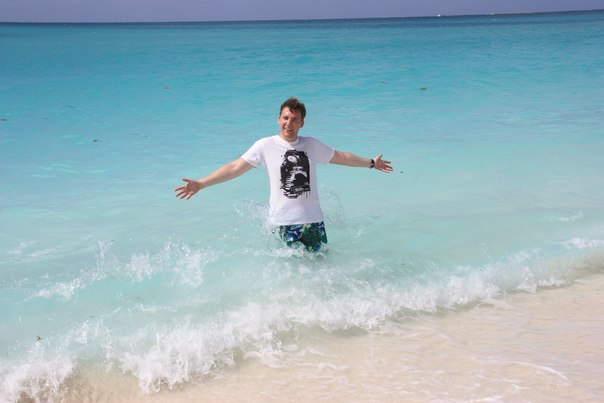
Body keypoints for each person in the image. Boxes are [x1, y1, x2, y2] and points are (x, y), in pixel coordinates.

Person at [175, 97, 392, 251]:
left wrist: (372, 163)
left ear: (302, 123)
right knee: (288, 276)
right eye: (286, 118)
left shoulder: (311, 145)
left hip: (313, 222)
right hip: (282, 223)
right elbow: (234, 167)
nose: (289, 123)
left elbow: (342, 157)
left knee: (321, 271)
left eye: (295, 119)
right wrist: (201, 183)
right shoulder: (264, 145)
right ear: (278, 119)